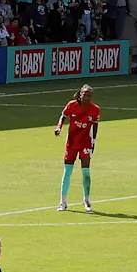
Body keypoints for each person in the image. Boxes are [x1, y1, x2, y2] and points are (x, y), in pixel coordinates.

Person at [53, 83, 101, 211]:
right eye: (85, 94)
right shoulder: (72, 105)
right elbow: (63, 115)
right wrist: (59, 127)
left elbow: (95, 124)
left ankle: (86, 200)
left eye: (89, 95)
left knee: (86, 172)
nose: (87, 97)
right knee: (67, 172)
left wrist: (94, 141)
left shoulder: (95, 109)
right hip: (72, 142)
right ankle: (62, 202)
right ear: (80, 94)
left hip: (85, 142)